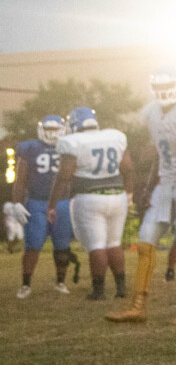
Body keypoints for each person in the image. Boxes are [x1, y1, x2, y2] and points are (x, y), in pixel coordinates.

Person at [108, 66, 176, 324]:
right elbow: (160, 153)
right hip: (165, 184)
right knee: (145, 243)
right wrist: (147, 186)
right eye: (160, 88)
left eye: (169, 87)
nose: (164, 93)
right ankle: (138, 307)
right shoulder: (152, 114)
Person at [46, 107, 133, 302]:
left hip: (88, 197)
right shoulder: (114, 136)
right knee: (114, 243)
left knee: (96, 245)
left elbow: (64, 177)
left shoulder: (72, 142)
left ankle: (99, 291)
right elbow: (128, 168)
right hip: (117, 195)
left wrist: (52, 204)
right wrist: (129, 194)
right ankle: (121, 288)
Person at [13, 115, 75, 298]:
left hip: (62, 201)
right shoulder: (30, 148)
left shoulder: (69, 146)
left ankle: (61, 282)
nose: (52, 134)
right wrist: (17, 202)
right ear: (41, 129)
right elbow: (21, 178)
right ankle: (26, 284)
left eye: (55, 130)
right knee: (33, 244)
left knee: (62, 245)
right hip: (36, 201)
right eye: (49, 129)